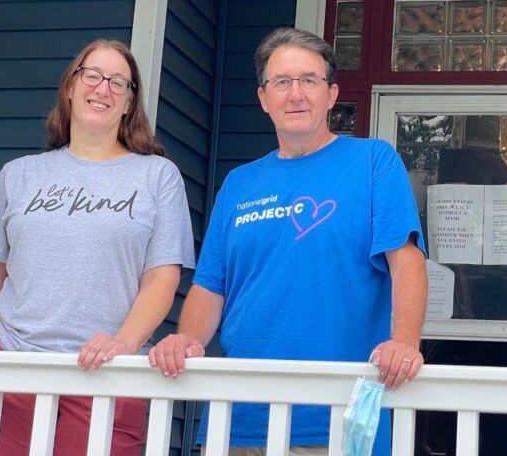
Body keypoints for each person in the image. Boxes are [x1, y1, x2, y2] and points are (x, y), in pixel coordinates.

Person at [149, 27, 428, 456]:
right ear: (264, 98)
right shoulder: (239, 183)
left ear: (331, 94)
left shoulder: (373, 162)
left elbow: (406, 261)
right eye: (282, 81)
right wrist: (188, 339)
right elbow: (210, 285)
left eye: (309, 80)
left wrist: (405, 343)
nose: (296, 93)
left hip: (340, 416)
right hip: (237, 418)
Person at [0, 39, 195, 456]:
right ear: (70, 88)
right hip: (10, 360)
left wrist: (123, 344)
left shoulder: (157, 176)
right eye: (91, 75)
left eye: (118, 82)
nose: (102, 88)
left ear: (129, 103)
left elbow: (162, 276)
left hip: (107, 367)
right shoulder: (18, 175)